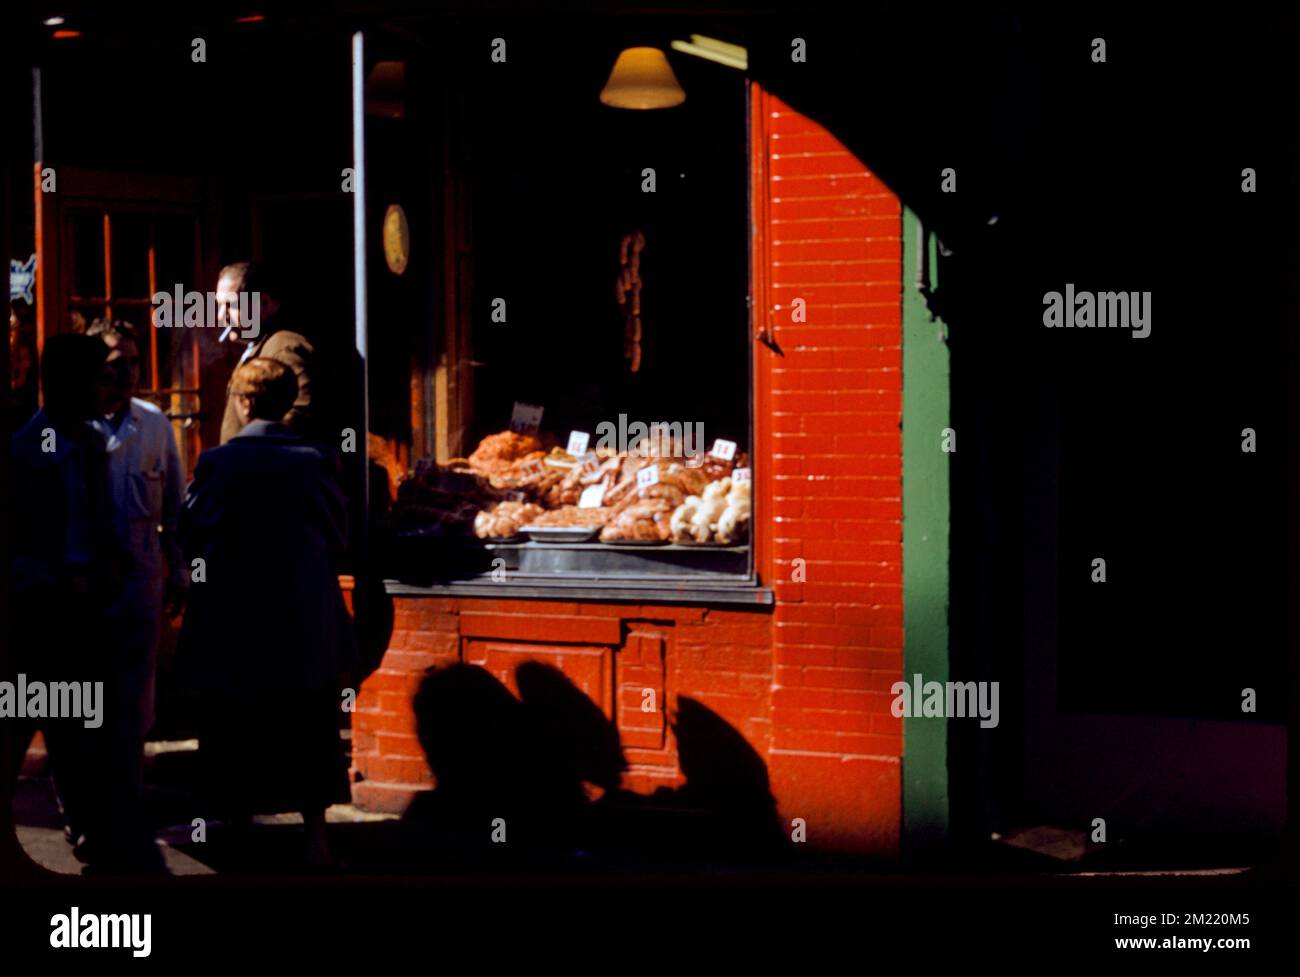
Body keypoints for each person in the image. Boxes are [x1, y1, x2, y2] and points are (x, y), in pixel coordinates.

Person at [178, 357, 358, 869]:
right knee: (309, 726)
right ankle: (317, 840)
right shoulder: (319, 460)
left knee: (235, 725)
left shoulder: (216, 463)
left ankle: (237, 831)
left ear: (244, 401)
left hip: (234, 621)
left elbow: (193, 534)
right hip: (303, 620)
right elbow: (339, 535)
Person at [8, 333, 130, 869]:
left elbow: (100, 521)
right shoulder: (31, 449)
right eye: (95, 378)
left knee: (82, 725)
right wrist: (61, 578)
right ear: (63, 384)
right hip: (41, 611)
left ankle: (90, 833)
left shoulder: (87, 443)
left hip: (84, 609)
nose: (105, 388)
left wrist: (108, 569)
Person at [84, 319, 185, 868]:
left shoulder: (154, 424)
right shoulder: (70, 428)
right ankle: (89, 811)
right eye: (114, 361)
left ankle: (129, 804)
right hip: (83, 593)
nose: (125, 373)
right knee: (89, 703)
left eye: (133, 363)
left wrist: (182, 570)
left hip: (141, 585)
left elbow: (175, 504)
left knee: (136, 702)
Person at [215, 261, 320, 445]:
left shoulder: (284, 347)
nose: (221, 315)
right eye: (219, 305)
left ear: (265, 304)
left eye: (231, 305)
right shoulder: (261, 346)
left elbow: (301, 413)